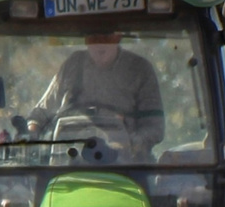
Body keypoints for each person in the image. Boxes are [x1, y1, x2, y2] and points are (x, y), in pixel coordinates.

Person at [26, 32, 164, 158]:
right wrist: (30, 134)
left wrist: (129, 144)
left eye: (106, 35)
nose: (100, 42)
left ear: (118, 36)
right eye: (93, 35)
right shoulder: (73, 65)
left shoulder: (139, 69)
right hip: (66, 161)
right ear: (86, 39)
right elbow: (41, 114)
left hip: (126, 167)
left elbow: (155, 127)